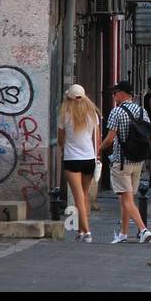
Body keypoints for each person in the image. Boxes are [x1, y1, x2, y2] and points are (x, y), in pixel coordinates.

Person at [100, 80, 151, 244]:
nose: (114, 96)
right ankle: (123, 233)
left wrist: (98, 150)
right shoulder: (142, 111)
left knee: (126, 199)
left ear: (123, 94)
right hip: (137, 162)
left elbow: (109, 139)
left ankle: (143, 230)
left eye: (115, 93)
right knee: (125, 198)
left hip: (121, 161)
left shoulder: (117, 112)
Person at [57, 84, 100, 242]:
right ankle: (81, 231)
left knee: (78, 197)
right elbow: (97, 138)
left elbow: (61, 140)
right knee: (84, 195)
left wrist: (65, 146)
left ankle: (87, 231)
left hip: (72, 159)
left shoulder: (65, 115)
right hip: (89, 158)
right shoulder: (92, 114)